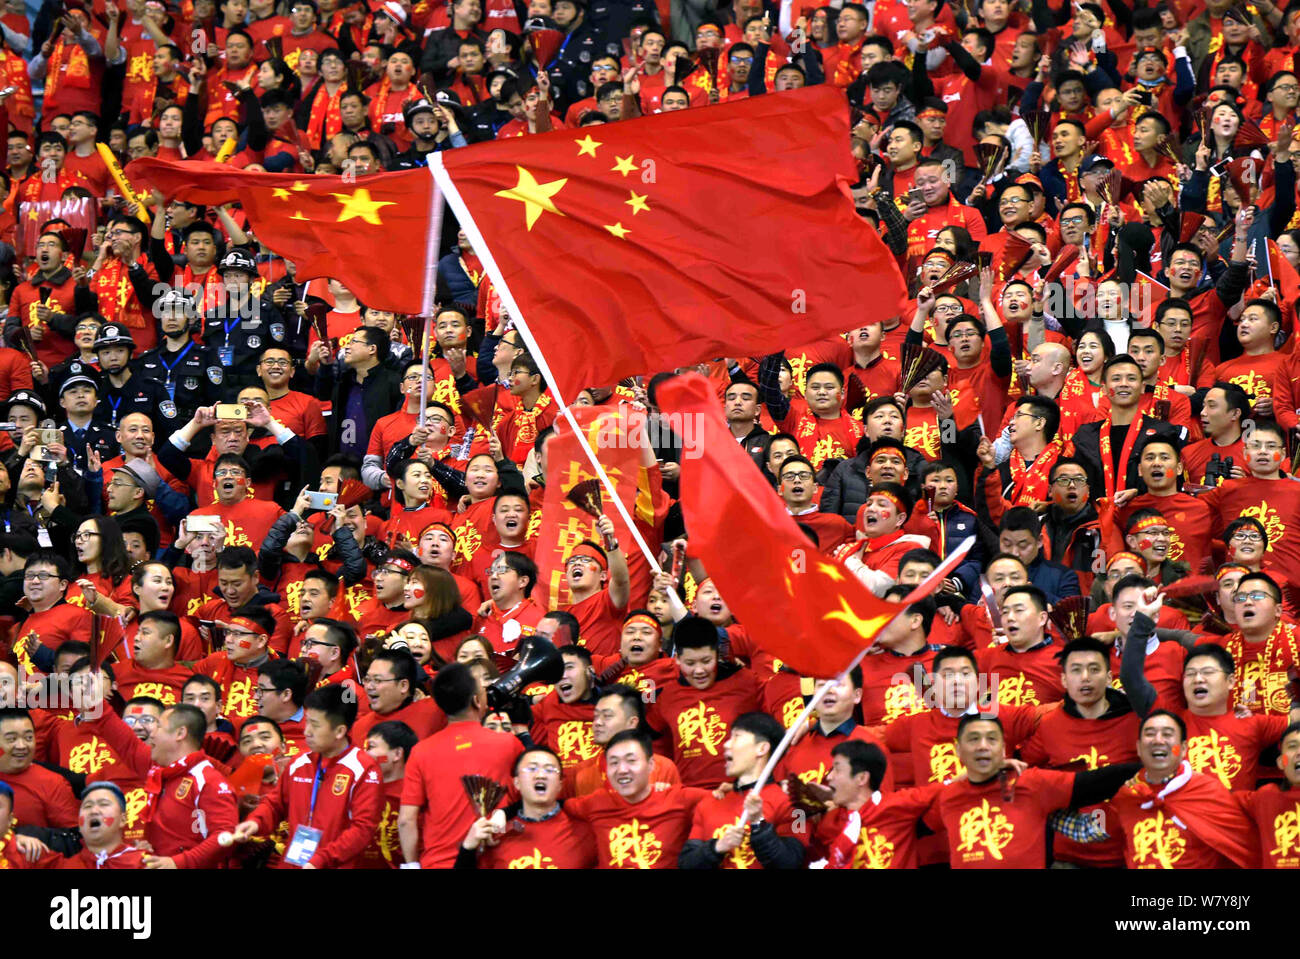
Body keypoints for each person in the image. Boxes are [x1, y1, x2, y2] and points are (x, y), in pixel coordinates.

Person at [230, 684, 383, 868]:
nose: (306, 731)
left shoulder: (364, 769)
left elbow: (362, 830)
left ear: (340, 731)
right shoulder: (299, 763)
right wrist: (255, 822)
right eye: (307, 722)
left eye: (315, 725)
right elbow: (275, 803)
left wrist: (321, 859)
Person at [398, 662, 523, 868]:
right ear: (476, 700)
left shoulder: (421, 752)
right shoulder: (508, 744)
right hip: (497, 861)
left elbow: (406, 820)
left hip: (439, 863)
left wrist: (411, 865)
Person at [679, 712, 806, 869]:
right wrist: (717, 847)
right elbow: (686, 864)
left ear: (762, 748)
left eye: (736, 737)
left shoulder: (793, 804)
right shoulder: (710, 803)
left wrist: (758, 823)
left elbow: (792, 863)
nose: (726, 744)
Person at [456, 745, 597, 868]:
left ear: (560, 784)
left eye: (549, 770)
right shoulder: (495, 835)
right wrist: (467, 849)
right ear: (516, 783)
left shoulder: (583, 831)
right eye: (532, 769)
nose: (540, 775)